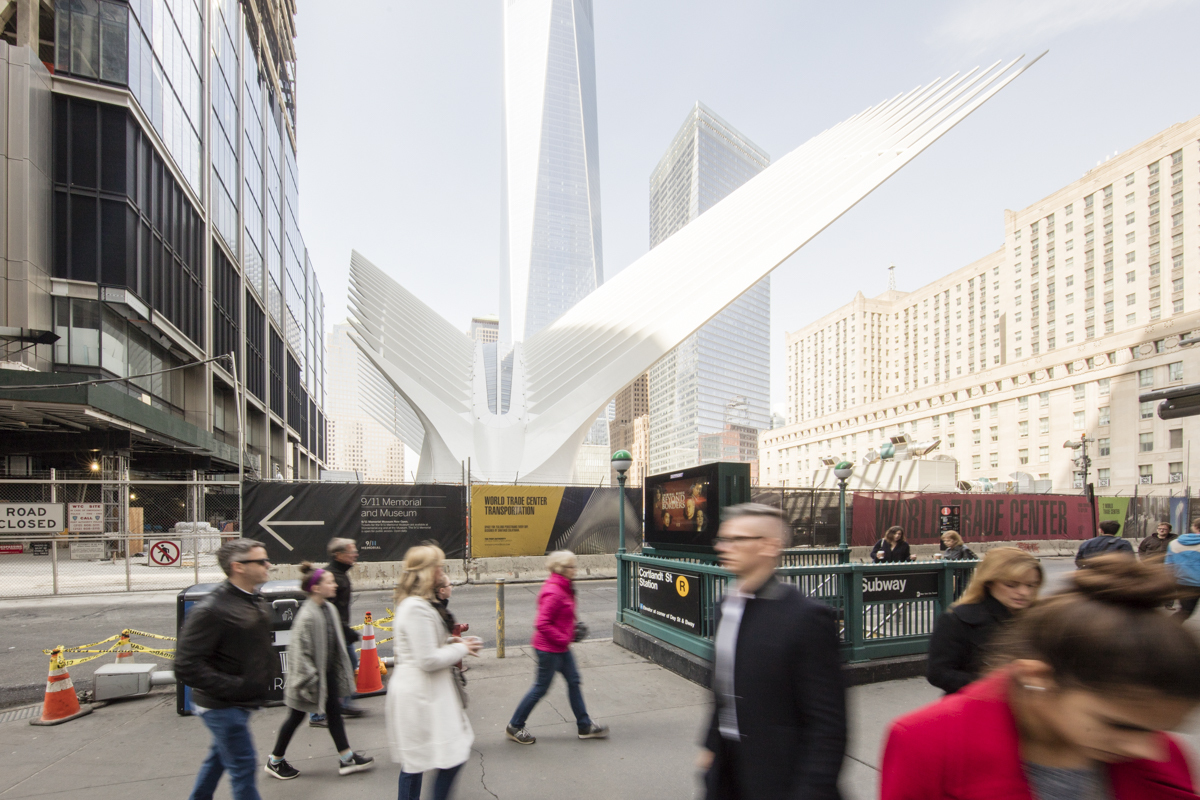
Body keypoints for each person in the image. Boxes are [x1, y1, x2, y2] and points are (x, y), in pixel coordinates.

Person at [881, 555, 1200, 799]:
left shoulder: (1161, 753)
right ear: (1038, 677)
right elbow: (939, 671)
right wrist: (984, 692)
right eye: (1117, 724)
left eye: (1031, 586)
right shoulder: (930, 744)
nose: (1149, 749)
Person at [699, 503, 846, 800]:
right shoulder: (725, 606)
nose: (722, 547)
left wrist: (810, 790)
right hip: (728, 775)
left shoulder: (807, 617)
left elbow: (827, 726)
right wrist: (711, 746)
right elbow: (724, 689)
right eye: (722, 539)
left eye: (736, 539)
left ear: (769, 546)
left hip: (784, 780)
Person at [176, 539, 277, 800]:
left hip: (239, 702)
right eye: (261, 561)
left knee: (219, 758)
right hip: (222, 706)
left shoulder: (252, 597)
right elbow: (186, 666)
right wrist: (236, 687)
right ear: (238, 567)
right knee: (242, 766)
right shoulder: (212, 609)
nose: (269, 564)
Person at [387, 545, 482, 800]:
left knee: (418, 761)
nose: (442, 571)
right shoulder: (416, 608)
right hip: (421, 695)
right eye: (438, 566)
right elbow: (427, 658)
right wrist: (460, 649)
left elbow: (430, 646)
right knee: (443, 759)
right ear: (427, 572)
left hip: (426, 693)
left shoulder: (420, 604)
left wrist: (456, 644)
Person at [264, 562, 373, 780]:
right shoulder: (306, 616)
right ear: (316, 587)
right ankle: (275, 761)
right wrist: (312, 679)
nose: (334, 585)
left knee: (333, 714)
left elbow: (333, 637)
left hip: (325, 676)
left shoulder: (327, 608)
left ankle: (346, 757)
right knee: (295, 717)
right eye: (330, 582)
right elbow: (299, 654)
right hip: (308, 682)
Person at [506, 550, 608, 745]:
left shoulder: (564, 586)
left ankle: (584, 726)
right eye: (572, 567)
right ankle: (515, 725)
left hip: (560, 647)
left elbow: (564, 613)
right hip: (548, 649)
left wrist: (573, 627)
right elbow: (542, 623)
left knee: (574, 681)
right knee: (540, 688)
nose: (575, 570)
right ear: (562, 569)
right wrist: (564, 637)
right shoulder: (554, 591)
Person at [926, 548, 1042, 694]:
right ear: (989, 582)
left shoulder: (1041, 619)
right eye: (1011, 585)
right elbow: (938, 673)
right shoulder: (958, 619)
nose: (1024, 592)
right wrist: (991, 685)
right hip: (974, 708)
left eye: (1031, 585)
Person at [311, 537, 364, 726]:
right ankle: (316, 715)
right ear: (339, 555)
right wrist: (344, 630)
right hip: (330, 635)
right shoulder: (330, 576)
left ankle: (342, 703)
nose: (355, 554)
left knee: (349, 664)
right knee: (327, 672)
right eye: (351, 552)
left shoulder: (339, 573)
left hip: (339, 633)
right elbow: (326, 609)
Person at [1165, 518, 1200, 621]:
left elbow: (1169, 565)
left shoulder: (1174, 543)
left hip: (1183, 582)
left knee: (1185, 611)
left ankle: (1168, 631)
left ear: (1194, 527)